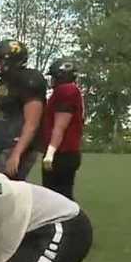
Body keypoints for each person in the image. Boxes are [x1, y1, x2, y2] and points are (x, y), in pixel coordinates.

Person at [0, 39, 46, 181]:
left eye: (0, 60)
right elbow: (0, 120)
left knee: (10, 192)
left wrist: (17, 153)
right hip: (4, 145)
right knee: (1, 191)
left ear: (10, 61)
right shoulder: (1, 84)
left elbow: (32, 123)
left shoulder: (29, 79)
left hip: (16, 145)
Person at [40, 58, 85, 199]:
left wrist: (50, 152)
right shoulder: (70, 91)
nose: (51, 80)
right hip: (66, 152)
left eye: (53, 76)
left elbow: (60, 126)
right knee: (59, 197)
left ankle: (71, 221)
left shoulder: (66, 91)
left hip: (62, 153)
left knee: (58, 199)